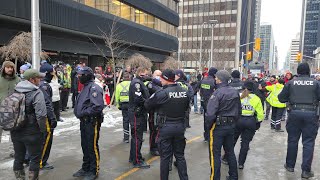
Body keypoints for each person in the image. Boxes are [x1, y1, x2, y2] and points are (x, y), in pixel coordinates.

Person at [145, 69, 189, 180]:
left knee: (165, 157)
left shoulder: (162, 92)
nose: (159, 80)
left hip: (166, 127)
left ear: (166, 79)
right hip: (180, 127)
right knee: (180, 156)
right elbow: (187, 106)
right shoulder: (184, 91)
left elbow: (148, 104)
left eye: (161, 78)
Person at [278, 63, 320, 179]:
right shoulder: (316, 83)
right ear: (309, 71)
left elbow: (281, 98)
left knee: (292, 140)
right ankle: (306, 171)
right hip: (311, 114)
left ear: (298, 71)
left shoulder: (291, 83)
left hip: (294, 113)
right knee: (308, 142)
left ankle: (290, 165)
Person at [12, 69, 47, 180]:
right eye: (38, 78)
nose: (40, 80)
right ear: (32, 79)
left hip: (15, 130)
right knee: (34, 158)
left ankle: (20, 178)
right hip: (32, 131)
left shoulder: (15, 90)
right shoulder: (36, 92)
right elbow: (41, 115)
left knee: (18, 157)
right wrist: (43, 130)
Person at [206, 70, 240, 180]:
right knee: (230, 152)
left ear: (220, 79)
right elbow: (239, 110)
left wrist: (208, 127)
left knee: (215, 154)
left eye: (216, 78)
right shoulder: (234, 92)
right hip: (230, 126)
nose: (215, 79)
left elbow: (210, 113)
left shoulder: (217, 93)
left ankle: (215, 178)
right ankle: (233, 176)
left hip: (218, 126)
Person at [223, 81, 264, 170]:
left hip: (238, 120)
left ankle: (226, 158)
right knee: (245, 143)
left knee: (232, 140)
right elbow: (260, 115)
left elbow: (231, 108)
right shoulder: (256, 98)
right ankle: (241, 163)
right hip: (250, 121)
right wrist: (257, 123)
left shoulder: (238, 96)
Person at [73, 67, 104, 180]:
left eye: (81, 75)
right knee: (85, 145)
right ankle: (85, 167)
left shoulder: (94, 88)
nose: (79, 77)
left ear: (87, 76)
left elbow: (98, 107)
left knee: (92, 146)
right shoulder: (86, 87)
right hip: (84, 122)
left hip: (92, 121)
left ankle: (93, 170)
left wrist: (84, 112)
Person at [128, 67, 150, 168]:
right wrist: (147, 103)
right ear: (141, 73)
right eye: (146, 73)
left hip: (137, 112)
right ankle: (137, 160)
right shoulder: (137, 83)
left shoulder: (138, 82)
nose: (147, 75)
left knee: (135, 137)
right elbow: (138, 98)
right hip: (137, 113)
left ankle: (134, 156)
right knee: (137, 137)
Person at [39, 63, 57, 170]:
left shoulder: (38, 83)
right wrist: (52, 118)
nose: (53, 75)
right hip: (45, 117)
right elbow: (47, 104)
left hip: (39, 116)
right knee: (46, 139)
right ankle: (41, 161)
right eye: (51, 73)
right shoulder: (44, 86)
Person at [0, 61, 20, 143]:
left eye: (11, 67)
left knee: (14, 132)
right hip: (0, 109)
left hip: (13, 110)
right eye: (8, 67)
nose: (10, 69)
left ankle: (14, 150)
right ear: (4, 68)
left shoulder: (18, 80)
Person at [145, 70, 162, 156]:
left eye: (160, 75)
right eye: (157, 75)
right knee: (153, 130)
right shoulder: (151, 84)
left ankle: (157, 146)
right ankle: (153, 148)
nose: (159, 76)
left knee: (158, 130)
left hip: (159, 111)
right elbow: (157, 92)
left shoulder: (161, 84)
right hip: (153, 111)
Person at [200, 67, 217, 142]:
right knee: (213, 120)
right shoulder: (214, 81)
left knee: (206, 119)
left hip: (204, 102)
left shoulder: (203, 80)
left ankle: (206, 136)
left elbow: (200, 91)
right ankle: (211, 136)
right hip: (212, 103)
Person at [115, 72, 131, 143]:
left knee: (125, 121)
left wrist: (118, 105)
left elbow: (116, 97)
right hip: (131, 104)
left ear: (123, 78)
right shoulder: (132, 84)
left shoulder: (119, 85)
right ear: (129, 77)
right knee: (133, 121)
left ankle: (126, 138)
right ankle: (135, 136)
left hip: (123, 105)